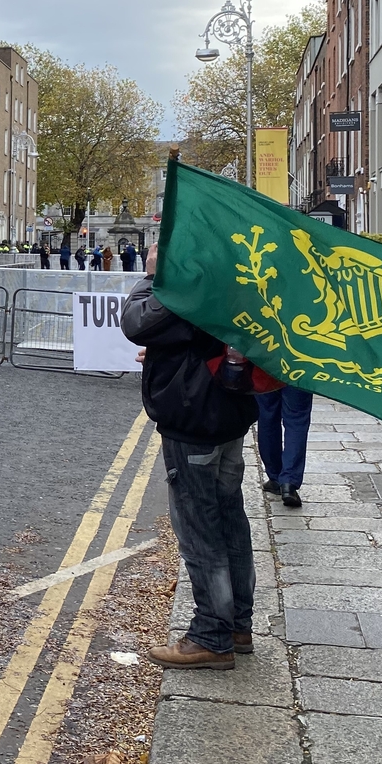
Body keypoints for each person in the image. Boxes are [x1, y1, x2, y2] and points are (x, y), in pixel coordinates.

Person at [123, 244, 259, 671]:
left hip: (194, 419)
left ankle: (210, 636)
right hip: (229, 414)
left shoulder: (188, 285)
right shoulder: (236, 279)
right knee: (230, 520)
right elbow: (189, 340)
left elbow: (136, 322)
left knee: (201, 529)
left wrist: (152, 274)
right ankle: (237, 624)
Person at [257, 386, 312, 509]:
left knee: (267, 417)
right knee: (296, 419)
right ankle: (289, 481)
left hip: (267, 369)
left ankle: (275, 476)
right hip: (298, 371)